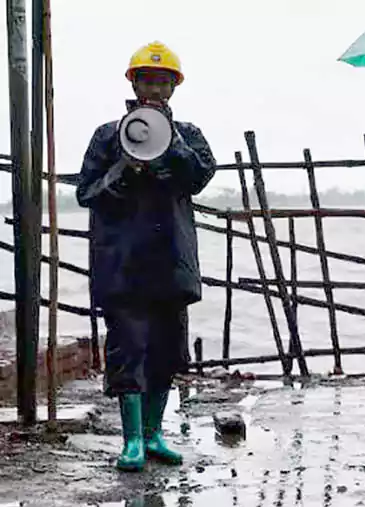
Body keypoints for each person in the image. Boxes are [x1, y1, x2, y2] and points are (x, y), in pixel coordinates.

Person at [76, 41, 216, 471]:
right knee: (128, 348)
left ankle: (154, 433)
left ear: (174, 87)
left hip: (171, 261)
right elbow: (86, 192)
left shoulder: (188, 135)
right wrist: (121, 171)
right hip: (122, 262)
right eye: (147, 80)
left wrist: (171, 143)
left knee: (165, 350)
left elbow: (200, 177)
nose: (154, 88)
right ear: (134, 84)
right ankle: (132, 439)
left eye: (163, 81)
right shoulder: (107, 136)